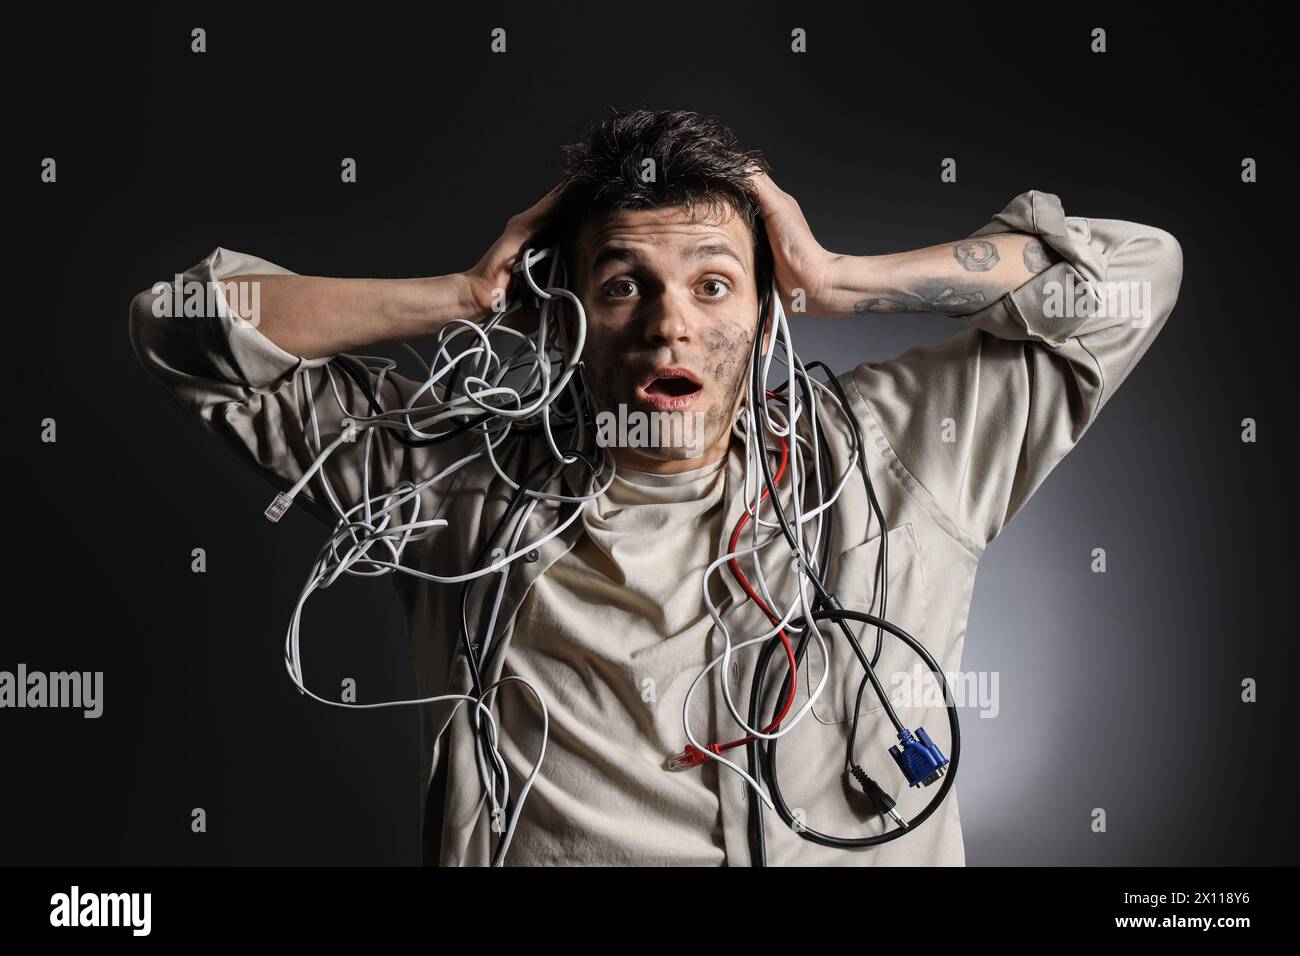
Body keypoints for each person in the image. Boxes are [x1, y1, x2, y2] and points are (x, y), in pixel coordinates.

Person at [128, 108, 1183, 866]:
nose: (669, 322)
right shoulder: (452, 485)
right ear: (565, 313)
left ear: (768, 314)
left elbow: (1130, 274)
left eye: (714, 283)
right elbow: (180, 321)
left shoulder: (901, 457)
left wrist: (840, 278)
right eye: (623, 283)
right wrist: (465, 293)